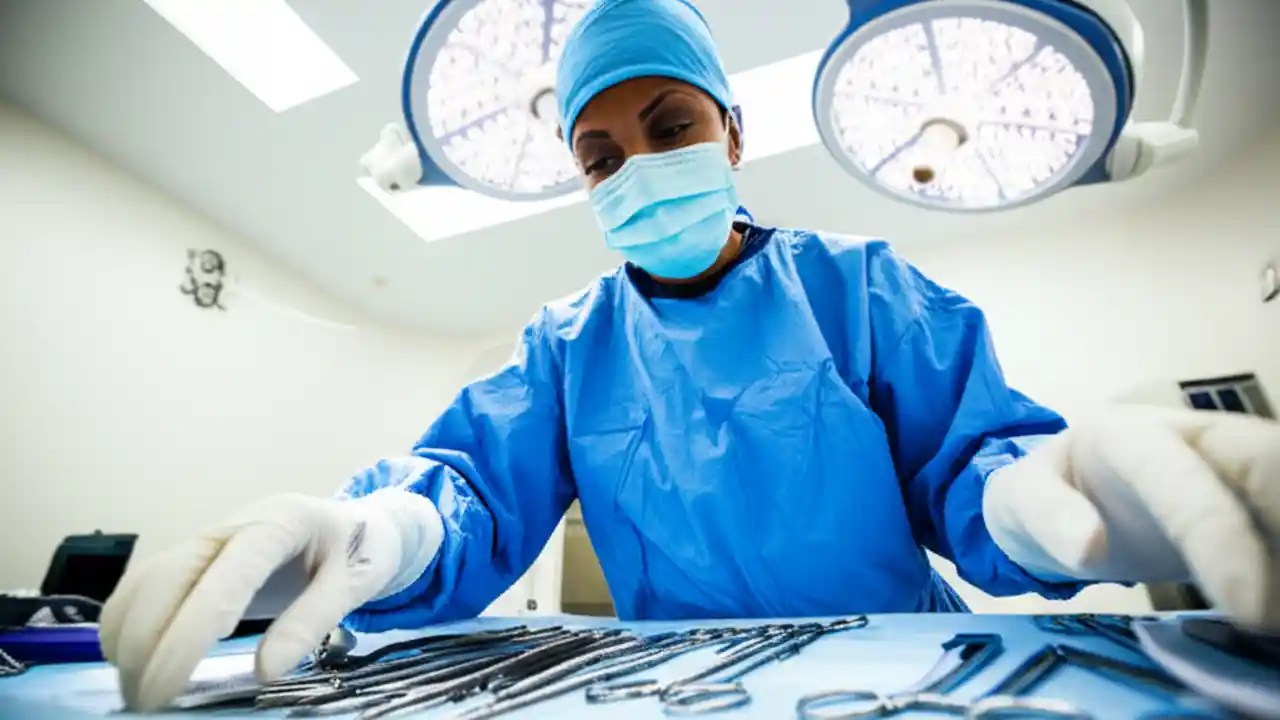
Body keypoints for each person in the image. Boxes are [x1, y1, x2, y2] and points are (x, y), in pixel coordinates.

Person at [100, 0, 1280, 711]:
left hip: (912, 667)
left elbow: (975, 467)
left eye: (668, 129)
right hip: (676, 690)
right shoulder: (564, 347)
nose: (636, 167)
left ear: (731, 130)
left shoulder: (855, 285)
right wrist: (367, 537)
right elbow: (463, 498)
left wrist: (1050, 499)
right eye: (599, 154)